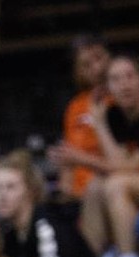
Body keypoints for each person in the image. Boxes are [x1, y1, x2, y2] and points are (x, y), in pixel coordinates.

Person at [72, 53, 139, 257]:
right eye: (115, 79)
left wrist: (80, 158)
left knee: (116, 184)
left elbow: (132, 168)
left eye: (129, 76)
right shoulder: (115, 116)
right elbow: (117, 163)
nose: (124, 84)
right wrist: (101, 123)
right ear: (108, 88)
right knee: (96, 186)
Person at [50, 35, 113, 202]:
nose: (97, 68)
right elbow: (68, 159)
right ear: (78, 72)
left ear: (110, 57)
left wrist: (79, 158)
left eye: (99, 58)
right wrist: (65, 195)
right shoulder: (75, 106)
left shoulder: (121, 99)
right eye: (86, 65)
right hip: (76, 193)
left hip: (107, 188)